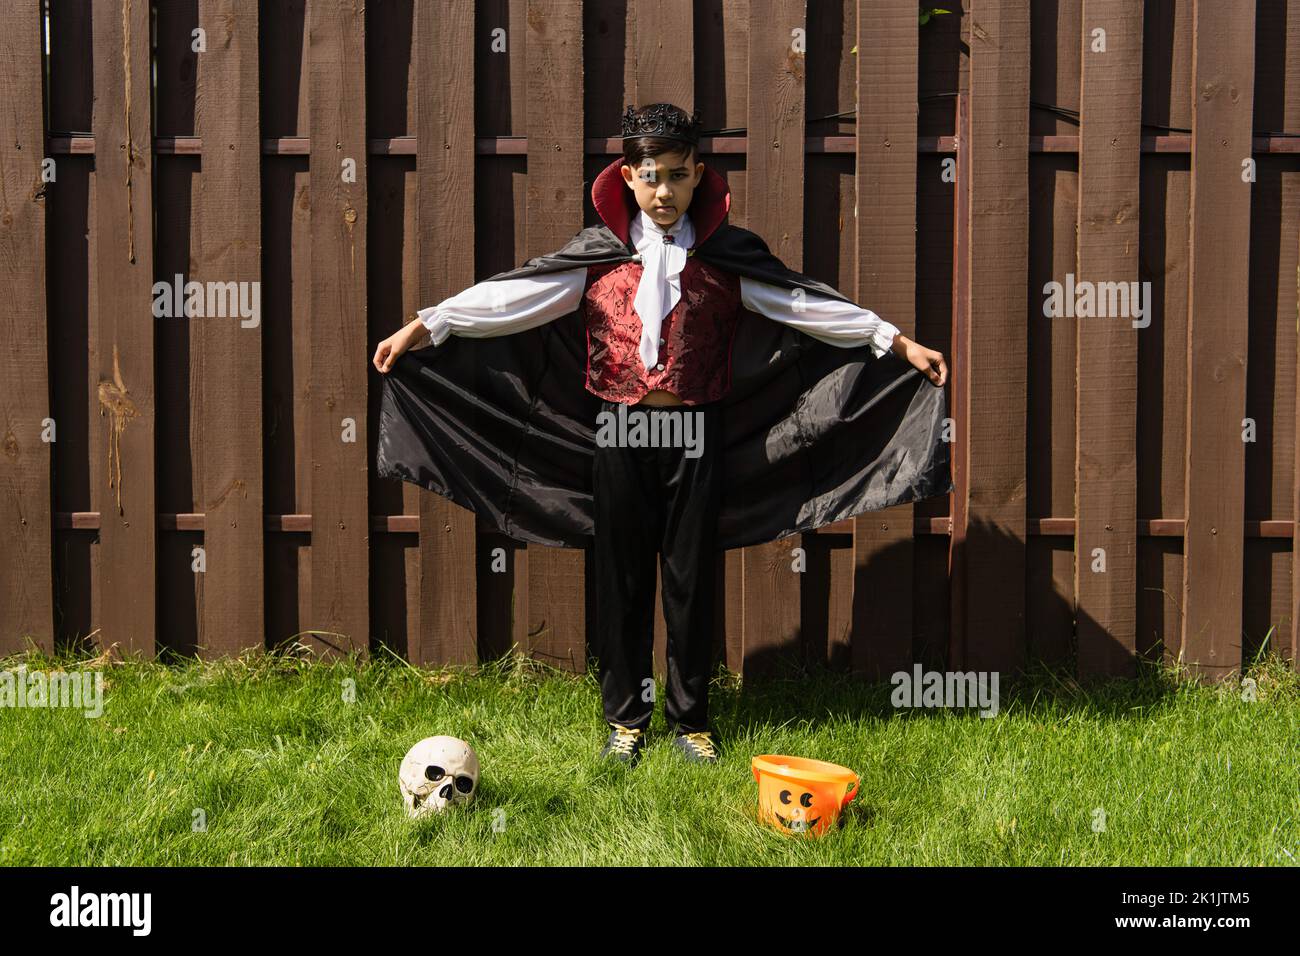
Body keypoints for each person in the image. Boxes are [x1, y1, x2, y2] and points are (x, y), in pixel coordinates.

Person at [373, 103, 951, 768]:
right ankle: (625, 719)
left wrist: (894, 341)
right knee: (619, 577)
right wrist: (428, 324)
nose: (664, 192)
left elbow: (805, 305)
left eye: (678, 177)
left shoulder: (728, 262)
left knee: (690, 577)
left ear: (699, 175)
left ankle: (692, 721)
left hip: (696, 432)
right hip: (618, 429)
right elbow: (510, 301)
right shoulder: (594, 261)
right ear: (625, 178)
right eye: (651, 178)